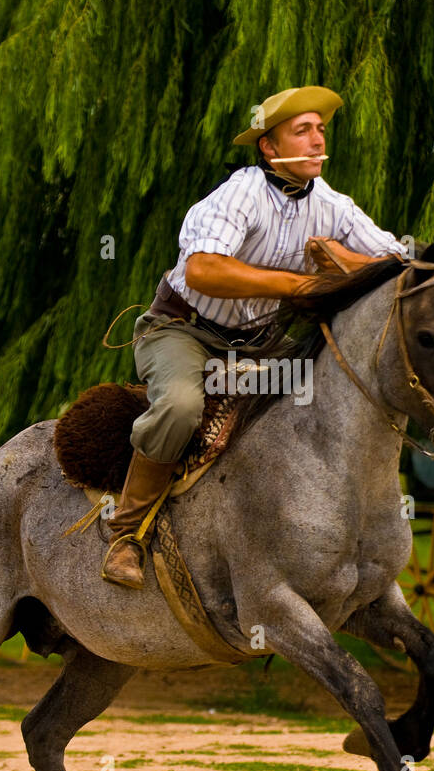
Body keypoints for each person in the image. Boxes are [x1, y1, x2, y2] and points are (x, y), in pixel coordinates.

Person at [101, 85, 412, 587]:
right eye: (302, 131)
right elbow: (202, 270)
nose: (316, 141)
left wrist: (342, 258)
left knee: (322, 402)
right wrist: (303, 284)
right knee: (181, 407)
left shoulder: (334, 206)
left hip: (261, 344)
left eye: (321, 130)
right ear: (269, 147)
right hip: (185, 331)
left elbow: (401, 264)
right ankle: (127, 534)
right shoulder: (242, 190)